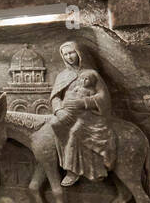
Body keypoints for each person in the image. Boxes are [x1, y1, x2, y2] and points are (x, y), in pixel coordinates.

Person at [49, 41, 115, 185]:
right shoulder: (62, 76)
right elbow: (55, 97)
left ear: (79, 53)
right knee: (54, 123)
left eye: (71, 53)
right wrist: (59, 110)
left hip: (88, 115)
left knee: (75, 133)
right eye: (65, 54)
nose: (69, 57)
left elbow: (104, 98)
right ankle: (64, 161)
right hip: (67, 113)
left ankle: (73, 171)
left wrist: (83, 103)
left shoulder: (91, 74)